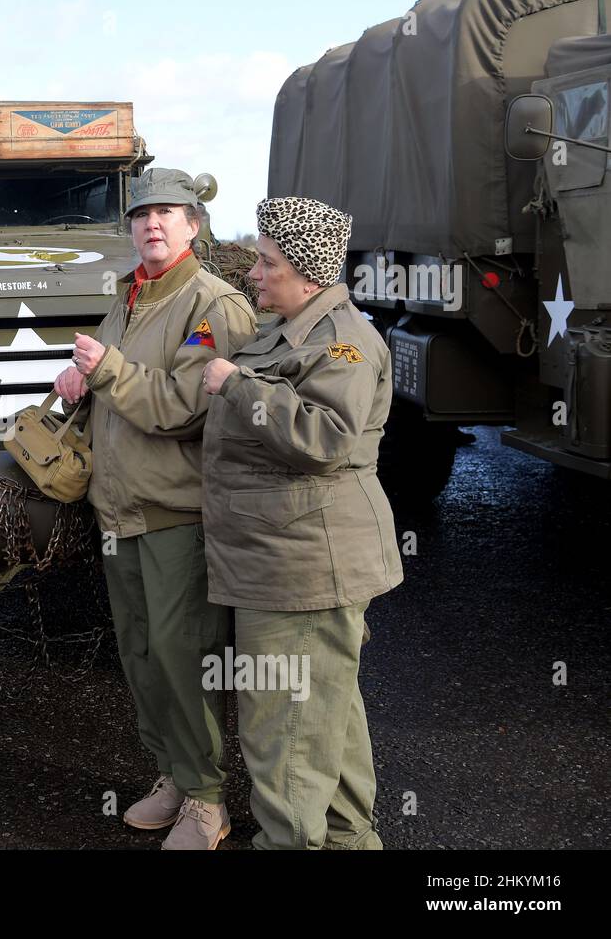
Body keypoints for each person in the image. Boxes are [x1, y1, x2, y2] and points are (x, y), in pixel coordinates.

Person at [53, 168, 258, 849]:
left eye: (168, 213)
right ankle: (172, 773)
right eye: (141, 215)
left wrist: (107, 369)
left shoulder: (212, 306)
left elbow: (182, 407)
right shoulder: (132, 297)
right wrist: (82, 382)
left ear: (194, 225)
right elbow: (121, 387)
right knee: (142, 655)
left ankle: (205, 799)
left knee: (183, 654)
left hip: (176, 513)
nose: (152, 224)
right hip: (121, 512)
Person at [200, 195, 404, 849]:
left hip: (302, 569)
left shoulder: (340, 342)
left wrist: (237, 385)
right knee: (328, 726)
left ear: (308, 271)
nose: (253, 274)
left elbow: (325, 438)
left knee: (285, 738)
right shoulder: (293, 328)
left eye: (266, 262)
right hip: (288, 561)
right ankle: (349, 842)